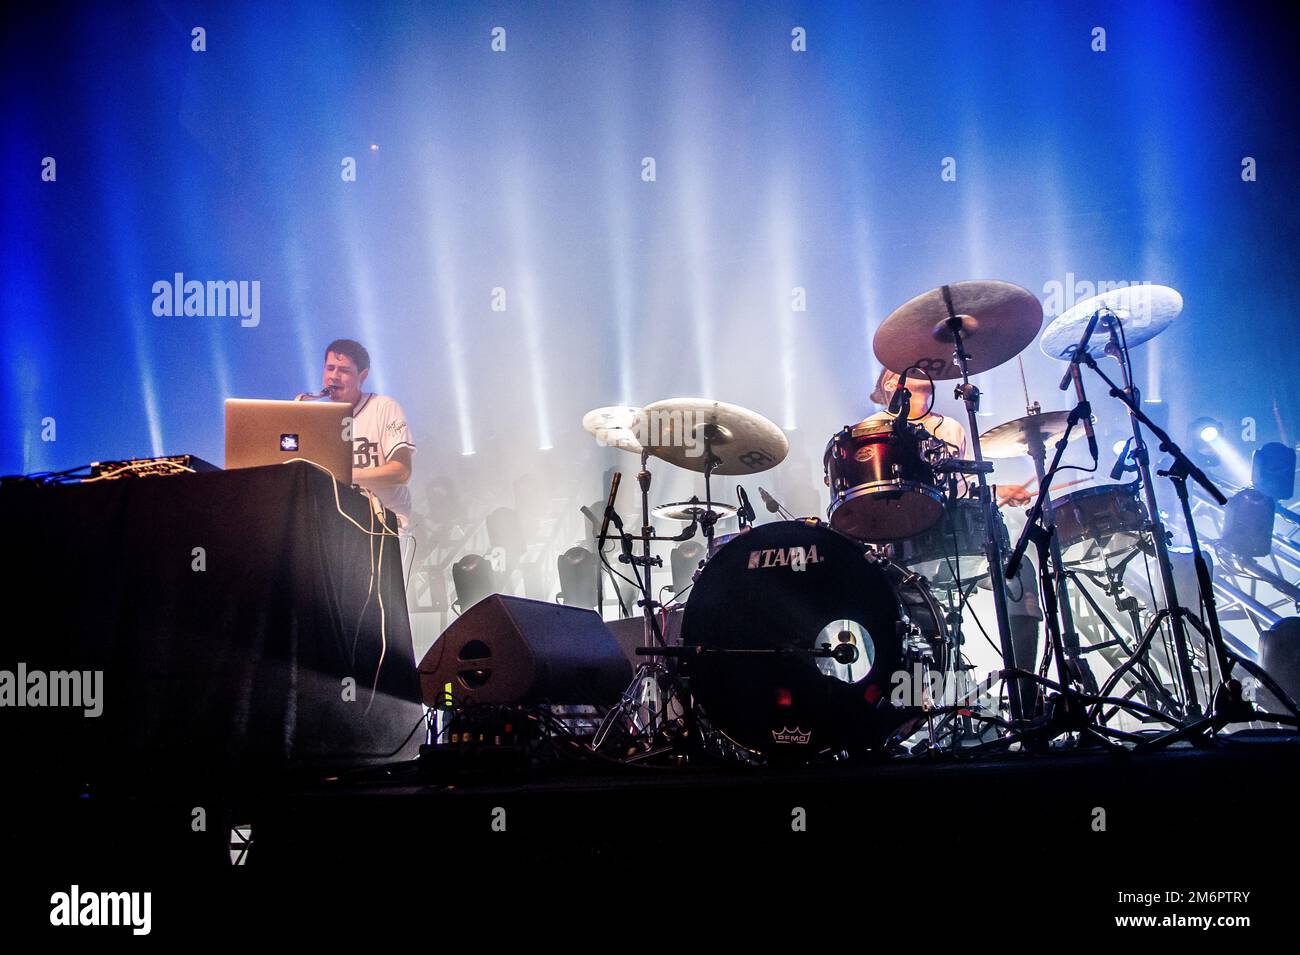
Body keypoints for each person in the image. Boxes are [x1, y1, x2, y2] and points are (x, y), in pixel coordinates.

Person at [864, 367, 1044, 717]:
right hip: (902, 546)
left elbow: (963, 489)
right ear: (889, 383)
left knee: (1019, 572)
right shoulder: (874, 433)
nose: (922, 371)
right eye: (907, 369)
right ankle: (913, 716)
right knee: (904, 617)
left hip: (956, 539)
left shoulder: (951, 429)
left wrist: (995, 491)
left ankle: (1023, 700)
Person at [296, 338, 416, 534]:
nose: (333, 376)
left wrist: (343, 476)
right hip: (334, 528)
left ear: (363, 375)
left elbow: (402, 471)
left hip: (383, 526)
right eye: (329, 368)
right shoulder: (316, 418)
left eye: (343, 371)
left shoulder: (384, 407)